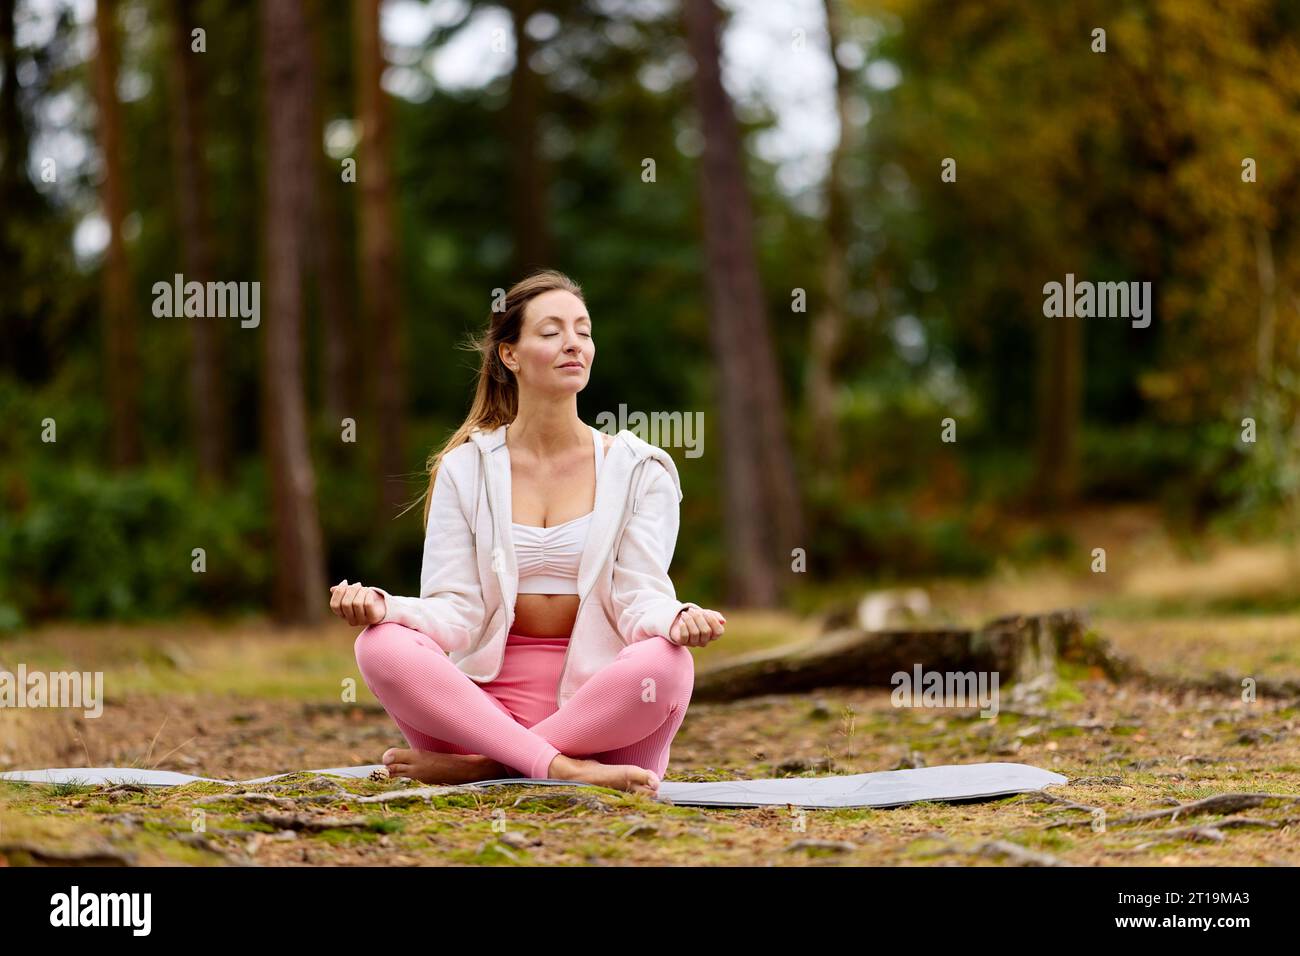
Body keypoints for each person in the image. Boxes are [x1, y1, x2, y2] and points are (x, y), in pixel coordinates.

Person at [331, 269, 726, 796]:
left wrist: (677, 618)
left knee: (667, 663)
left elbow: (638, 597)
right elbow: (455, 609)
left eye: (583, 331)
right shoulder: (464, 469)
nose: (574, 345)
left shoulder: (640, 469)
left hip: (599, 717)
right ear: (509, 355)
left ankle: (490, 770)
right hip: (479, 714)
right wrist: (386, 608)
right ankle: (556, 768)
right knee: (380, 645)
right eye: (551, 332)